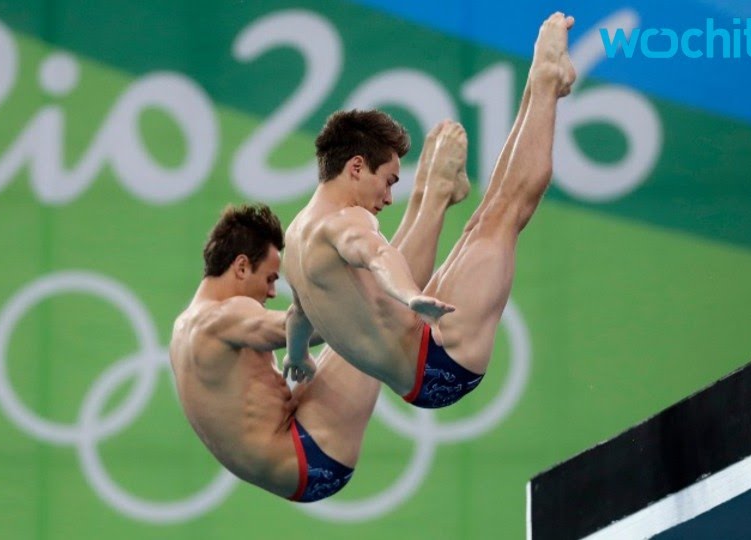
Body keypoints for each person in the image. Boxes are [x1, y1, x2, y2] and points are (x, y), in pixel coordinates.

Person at [282, 13, 577, 409]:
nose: (387, 198)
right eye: (387, 180)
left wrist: (296, 354)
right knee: (504, 213)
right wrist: (410, 295)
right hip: (443, 356)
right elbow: (378, 253)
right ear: (355, 167)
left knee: (483, 221)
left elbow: (298, 316)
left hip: (417, 380)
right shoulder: (345, 221)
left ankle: (540, 78)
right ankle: (545, 81)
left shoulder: (296, 237)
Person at [169, 121, 469, 502]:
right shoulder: (225, 316)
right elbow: (310, 322)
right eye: (270, 277)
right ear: (241, 266)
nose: (273, 291)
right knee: (374, 307)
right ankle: (436, 192)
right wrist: (320, 287)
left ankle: (430, 194)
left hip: (293, 464)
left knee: (370, 294)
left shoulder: (185, 327)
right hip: (310, 456)